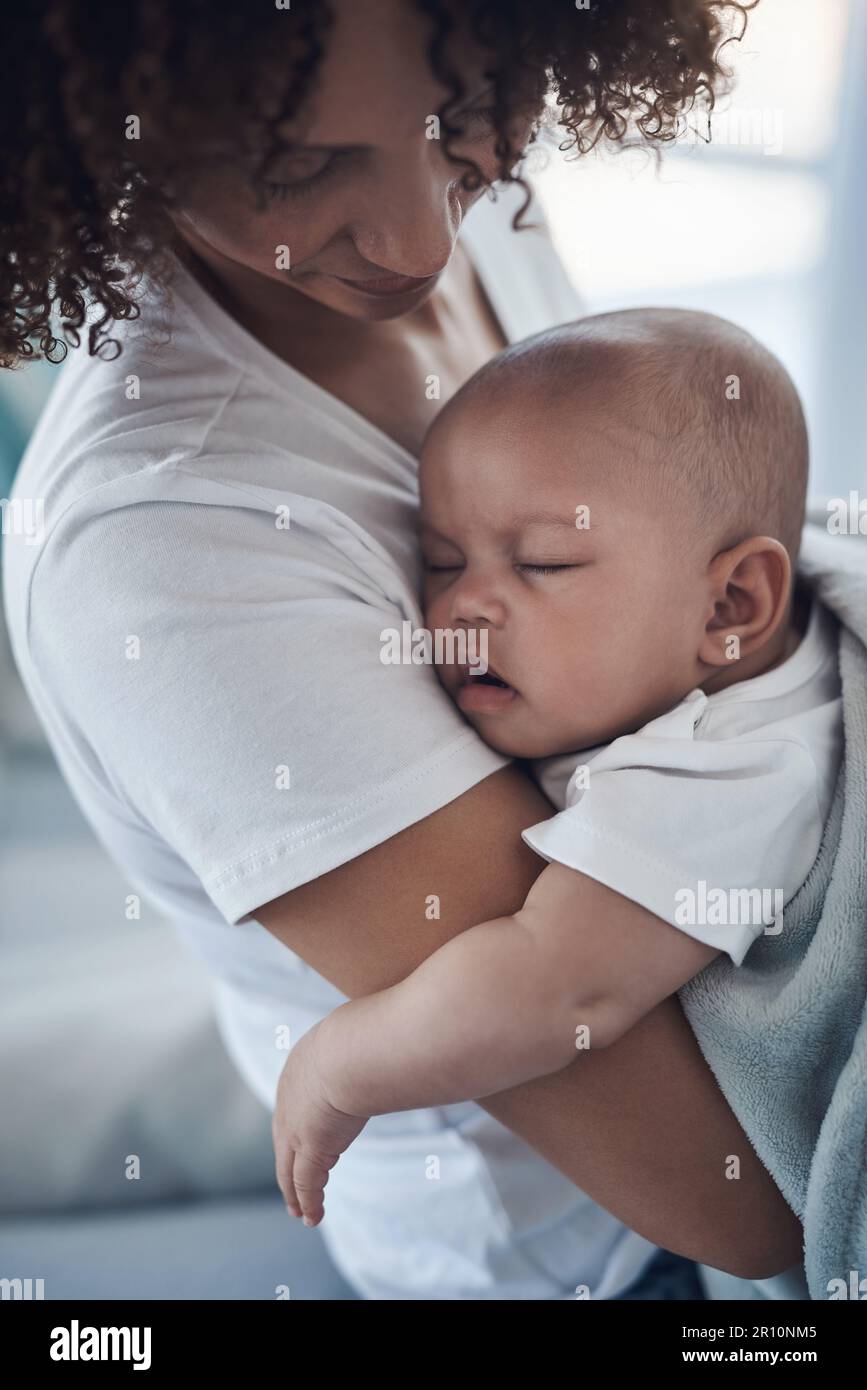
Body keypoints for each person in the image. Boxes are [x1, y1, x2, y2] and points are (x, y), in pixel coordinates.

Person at [2, 0, 801, 1299]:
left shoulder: (474, 196)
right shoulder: (165, 547)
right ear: (109, 135)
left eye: (473, 115)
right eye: (300, 167)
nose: (424, 235)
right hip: (601, 1258)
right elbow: (746, 1202)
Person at [269, 311, 842, 1249]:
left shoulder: (723, 773)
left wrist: (340, 1064)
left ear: (731, 604)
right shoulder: (726, 664)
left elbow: (552, 990)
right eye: (443, 560)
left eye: (543, 562)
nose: (462, 603)